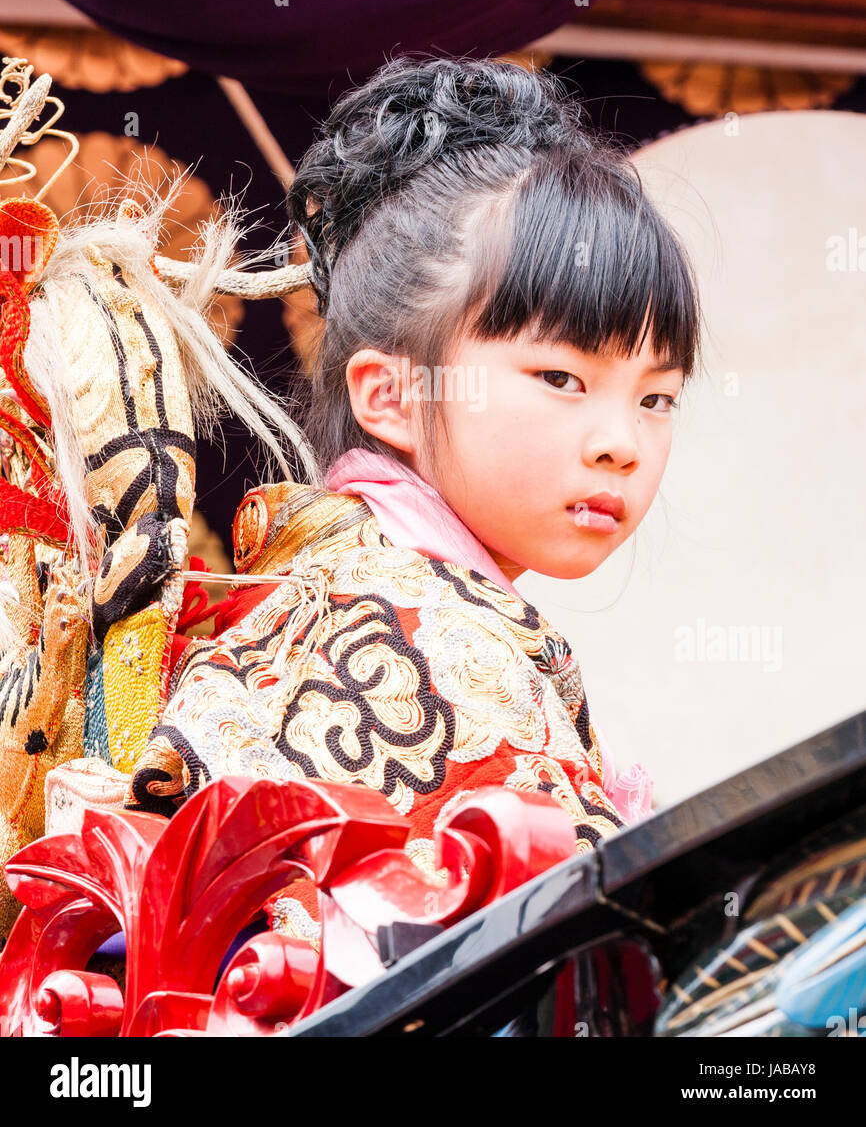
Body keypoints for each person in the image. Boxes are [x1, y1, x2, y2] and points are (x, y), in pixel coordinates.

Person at [129, 57, 701, 907]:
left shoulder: (331, 583)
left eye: (655, 397)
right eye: (561, 379)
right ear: (392, 395)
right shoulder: (438, 641)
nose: (622, 444)